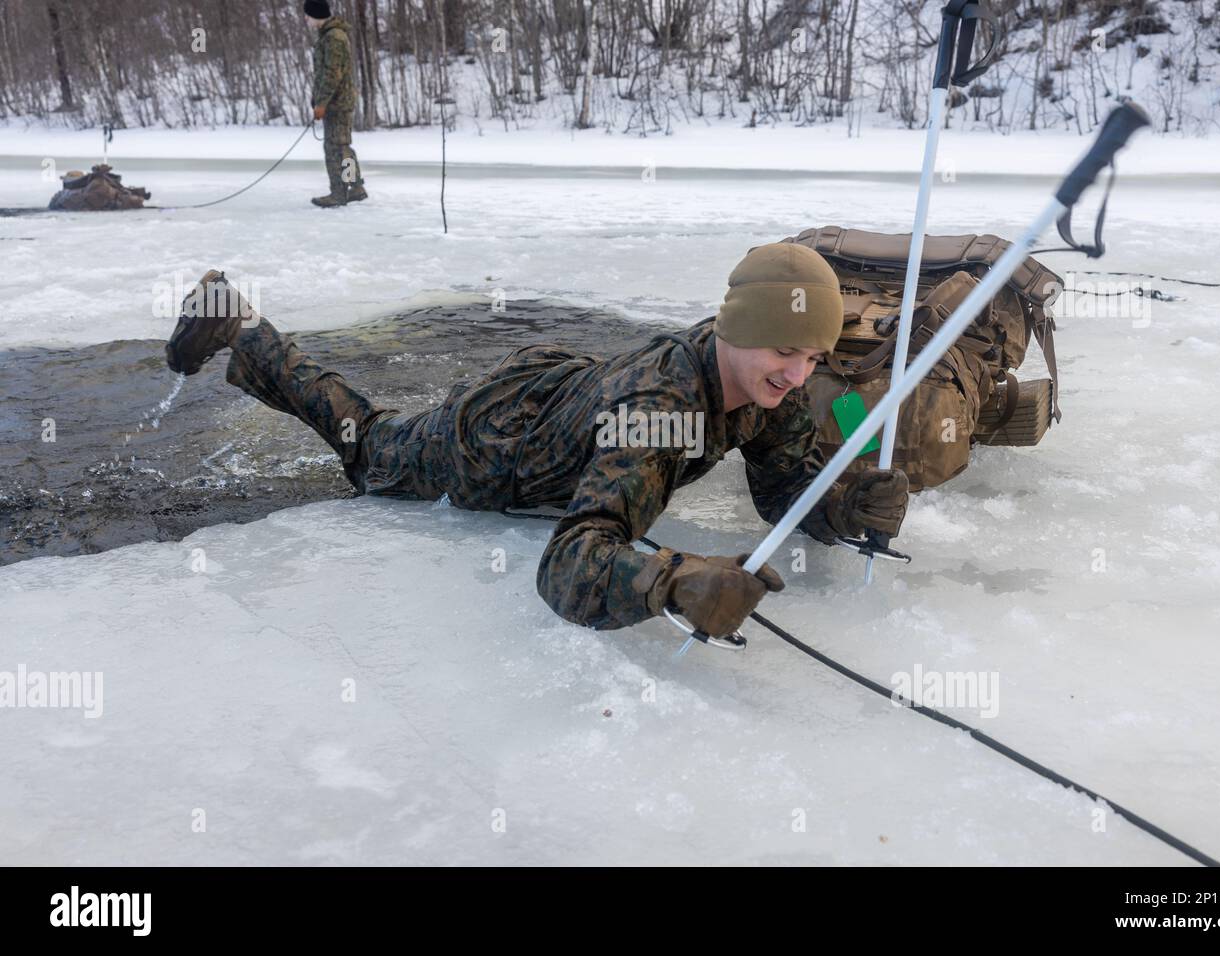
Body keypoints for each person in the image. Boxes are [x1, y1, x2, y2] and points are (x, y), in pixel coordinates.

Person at [164, 244, 910, 638]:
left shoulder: (762, 382)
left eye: (813, 358)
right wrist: (671, 582)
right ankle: (243, 328)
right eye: (787, 351)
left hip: (560, 392)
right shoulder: (657, 411)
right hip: (492, 441)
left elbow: (783, 487)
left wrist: (843, 508)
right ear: (739, 331)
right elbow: (570, 563)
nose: (798, 372)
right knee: (370, 448)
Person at [304, 0, 366, 207]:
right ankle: (355, 187)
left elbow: (332, 74)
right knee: (342, 146)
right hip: (336, 101)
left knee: (335, 148)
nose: (306, 19)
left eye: (308, 15)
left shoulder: (333, 38)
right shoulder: (329, 36)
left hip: (337, 103)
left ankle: (339, 193)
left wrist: (321, 103)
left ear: (316, 15)